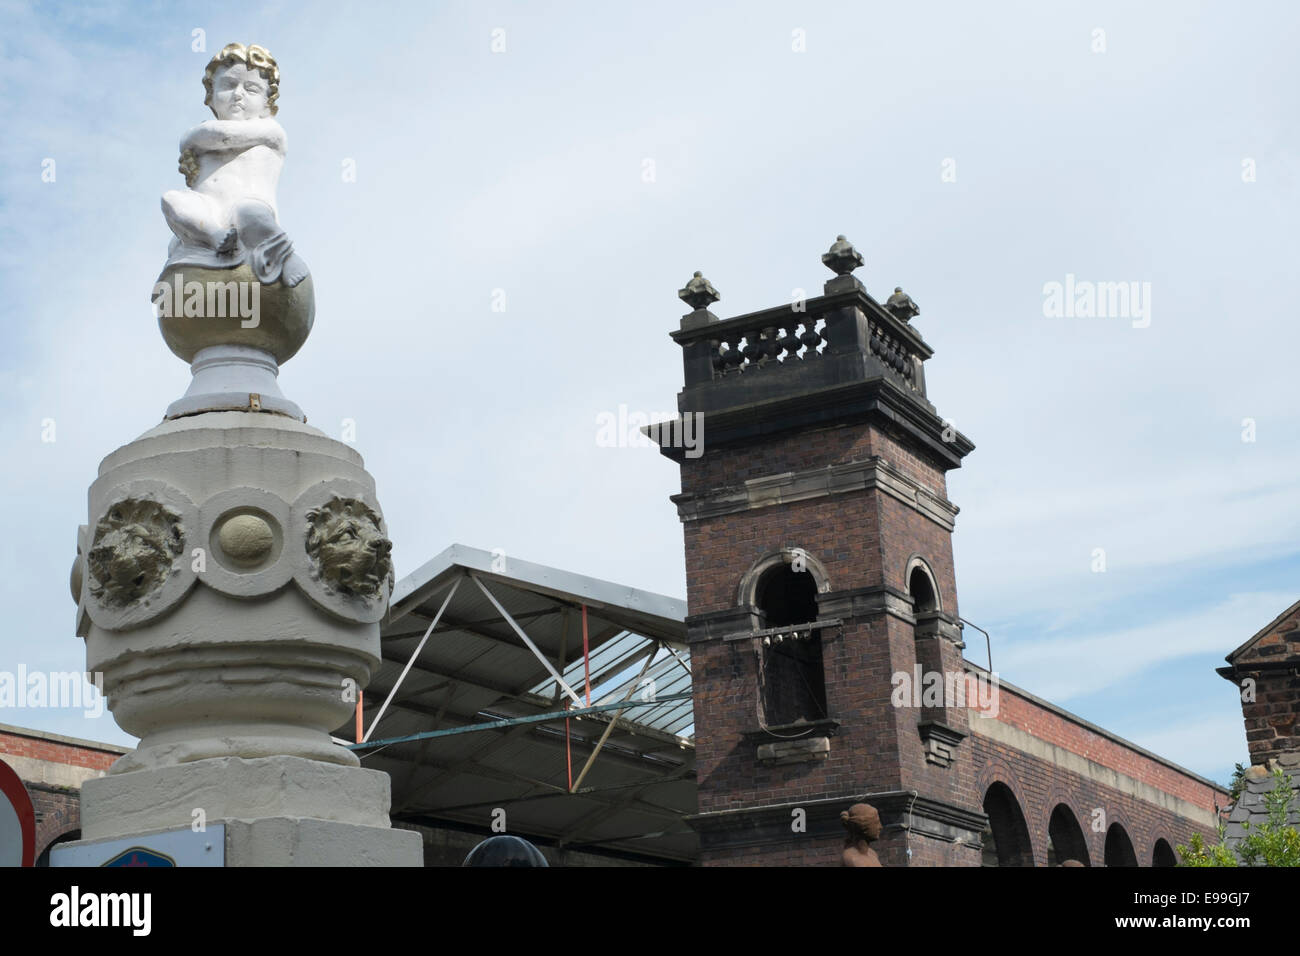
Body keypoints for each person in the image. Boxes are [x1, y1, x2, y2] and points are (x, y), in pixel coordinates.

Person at [160, 43, 307, 287]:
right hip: (209, 210)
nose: (238, 94)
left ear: (267, 102)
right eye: (228, 85)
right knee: (172, 200)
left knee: (248, 214)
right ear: (211, 94)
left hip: (249, 206)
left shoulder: (271, 130)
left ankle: (286, 256)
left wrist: (193, 138)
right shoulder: (201, 136)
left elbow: (223, 136)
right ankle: (217, 237)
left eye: (251, 89)